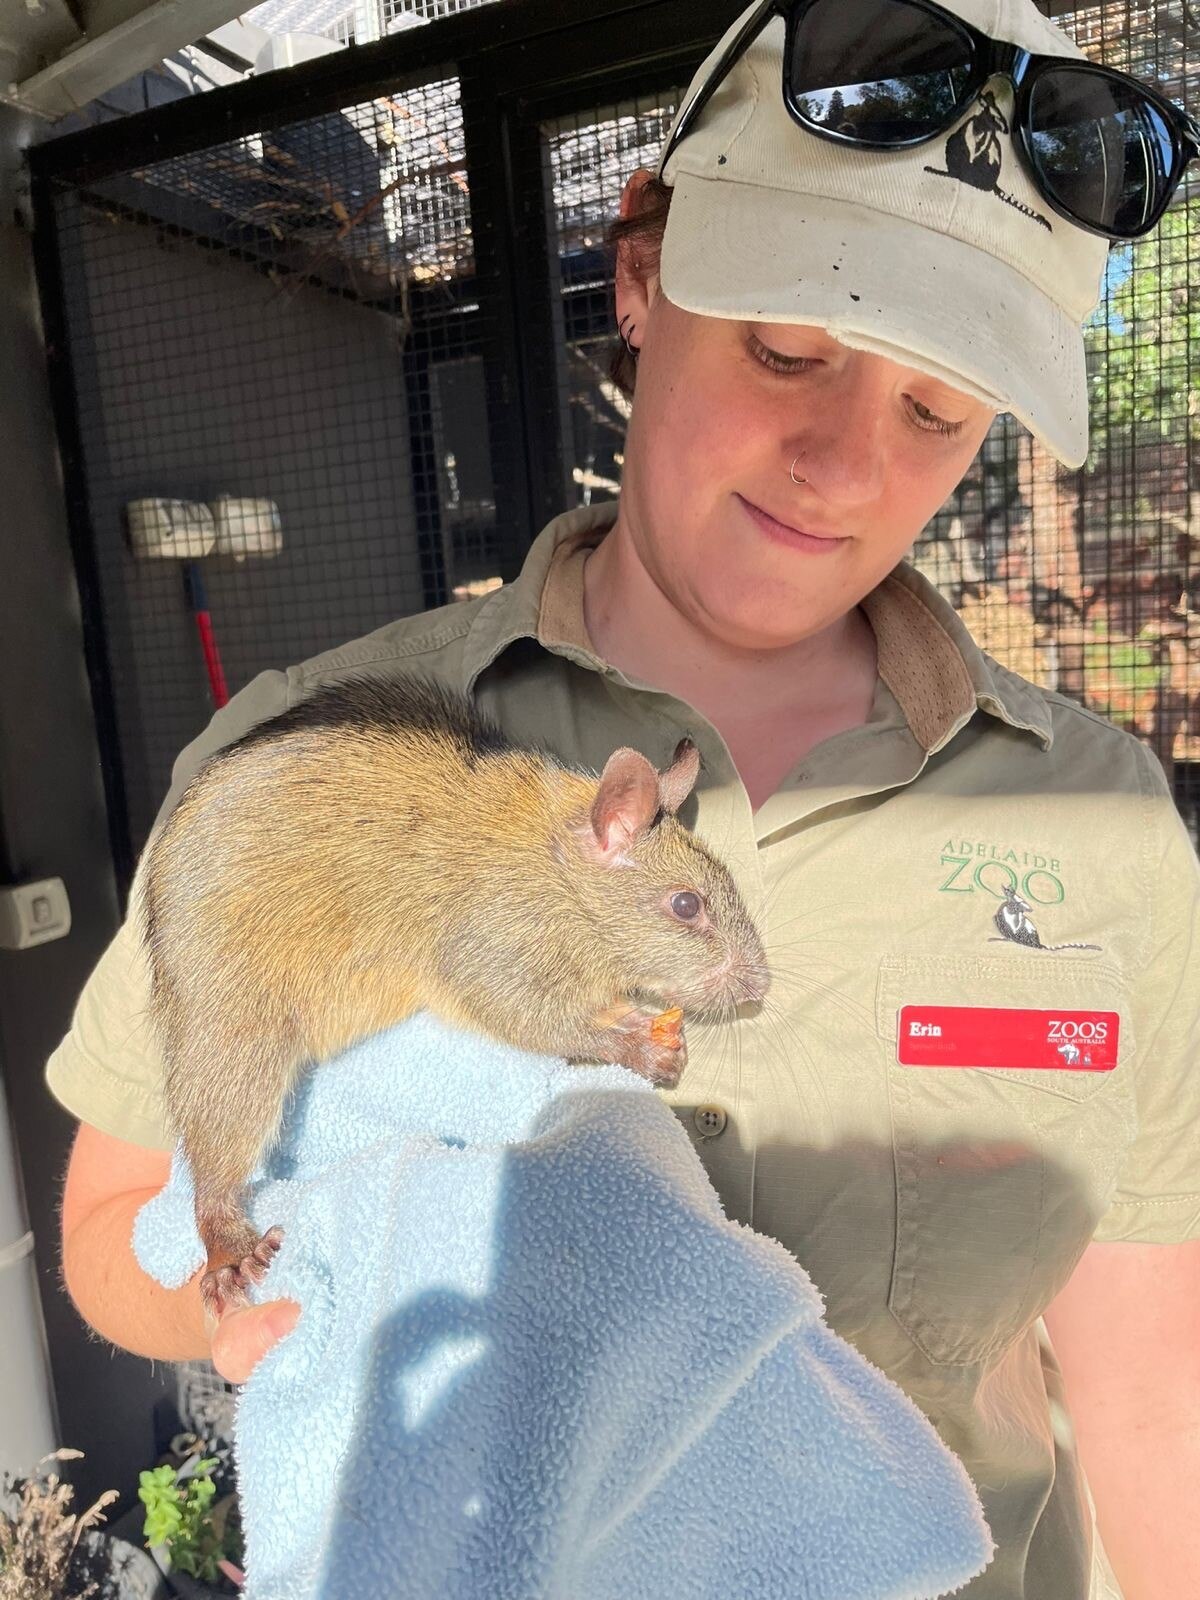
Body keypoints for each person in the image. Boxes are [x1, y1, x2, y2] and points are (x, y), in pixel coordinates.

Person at [51, 1, 1200, 1596]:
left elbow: (1153, 1393)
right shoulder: (297, 752)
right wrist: (260, 1301)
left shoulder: (1100, 818)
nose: (843, 466)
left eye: (937, 413)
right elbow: (116, 1219)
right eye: (790, 351)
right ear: (641, 275)